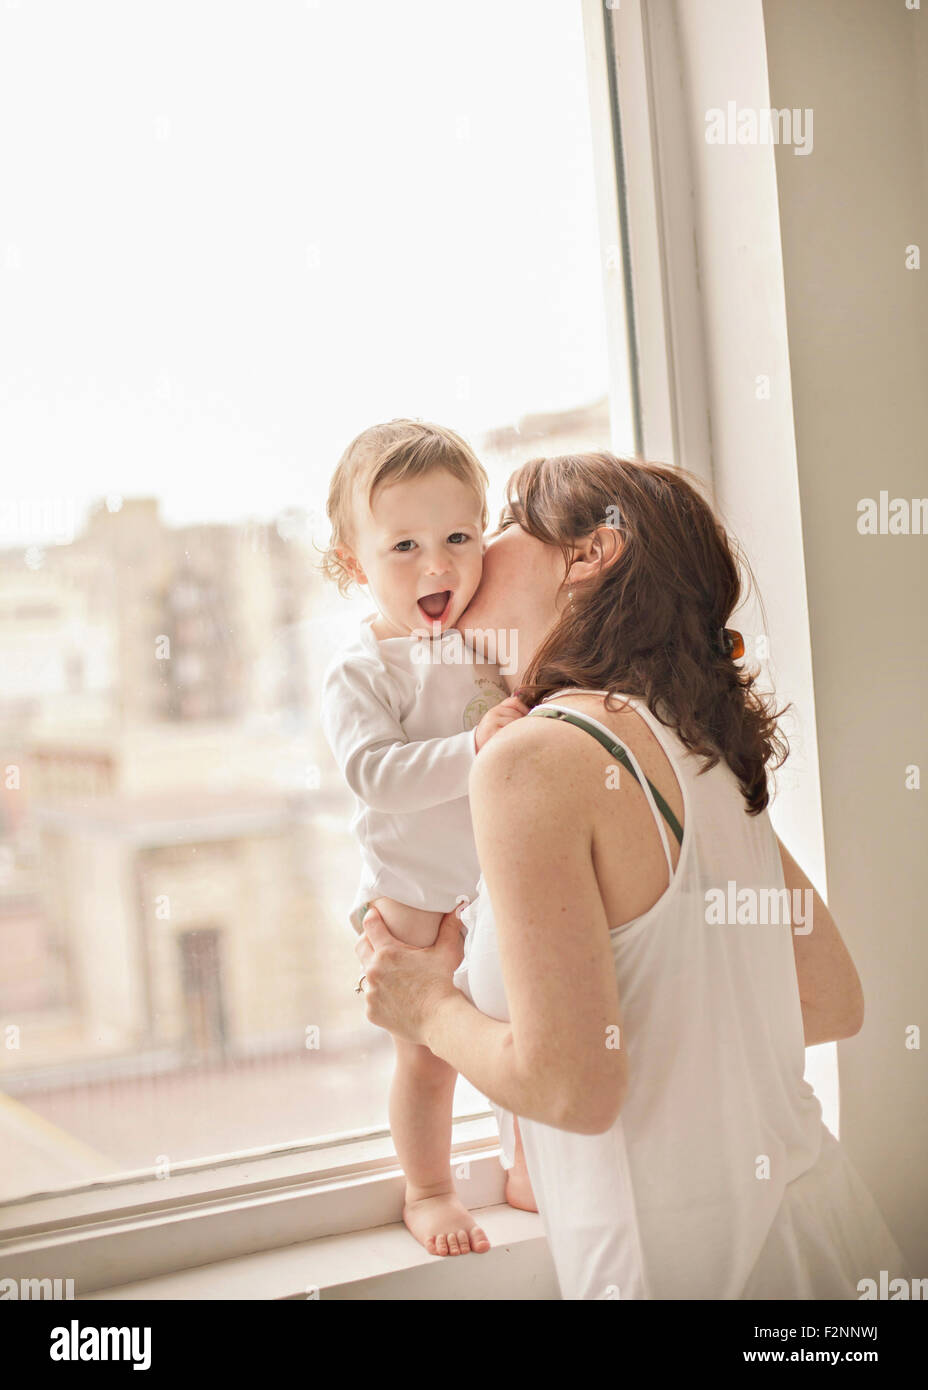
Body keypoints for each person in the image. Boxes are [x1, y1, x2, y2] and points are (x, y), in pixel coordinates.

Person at [355, 450, 911, 1298]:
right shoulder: (696, 744)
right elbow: (830, 996)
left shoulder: (534, 759)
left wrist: (426, 1007)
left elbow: (571, 1088)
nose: (470, 562)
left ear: (586, 556)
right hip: (827, 1242)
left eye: (500, 526)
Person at [318, 418, 534, 1259]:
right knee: (428, 1053)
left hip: (503, 876)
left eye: (457, 536)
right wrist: (475, 749)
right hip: (415, 891)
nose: (438, 565)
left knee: (525, 1024)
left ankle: (524, 1165)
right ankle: (430, 1186)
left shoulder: (489, 635)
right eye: (403, 546)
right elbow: (374, 771)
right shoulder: (364, 667)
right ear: (352, 564)